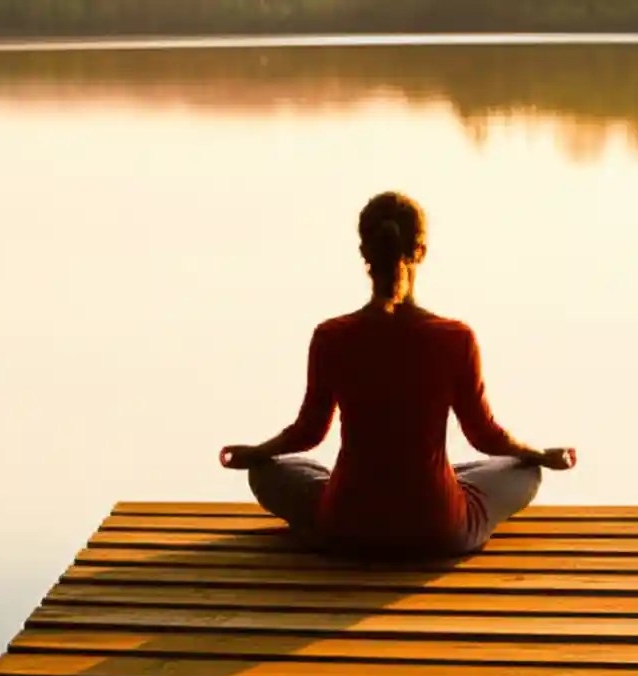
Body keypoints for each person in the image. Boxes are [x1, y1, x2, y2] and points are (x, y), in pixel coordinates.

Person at [219, 191, 576, 559]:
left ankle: (351, 507)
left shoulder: (332, 335)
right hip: (438, 529)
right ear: (421, 251)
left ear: (365, 253)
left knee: (269, 473)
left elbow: (309, 432)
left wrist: (257, 452)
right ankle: (446, 484)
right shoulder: (455, 338)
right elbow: (484, 436)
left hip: (348, 526)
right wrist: (540, 455)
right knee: (523, 471)